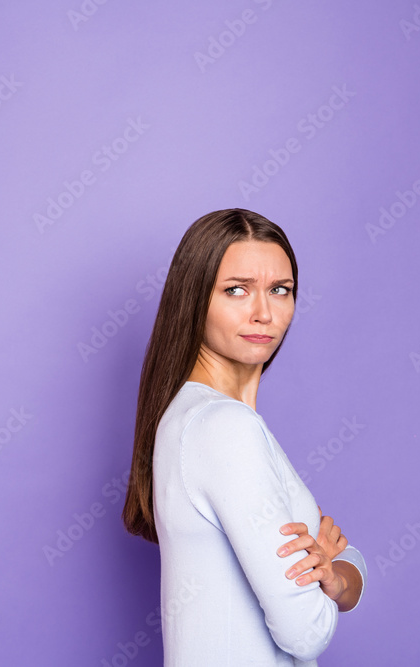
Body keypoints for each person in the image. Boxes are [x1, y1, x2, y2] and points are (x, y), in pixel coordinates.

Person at [122, 209, 367, 665]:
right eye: (236, 290)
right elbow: (306, 631)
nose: (264, 313)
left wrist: (338, 575)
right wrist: (336, 577)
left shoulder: (201, 420)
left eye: (280, 290)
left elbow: (344, 565)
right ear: (194, 299)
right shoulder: (225, 429)